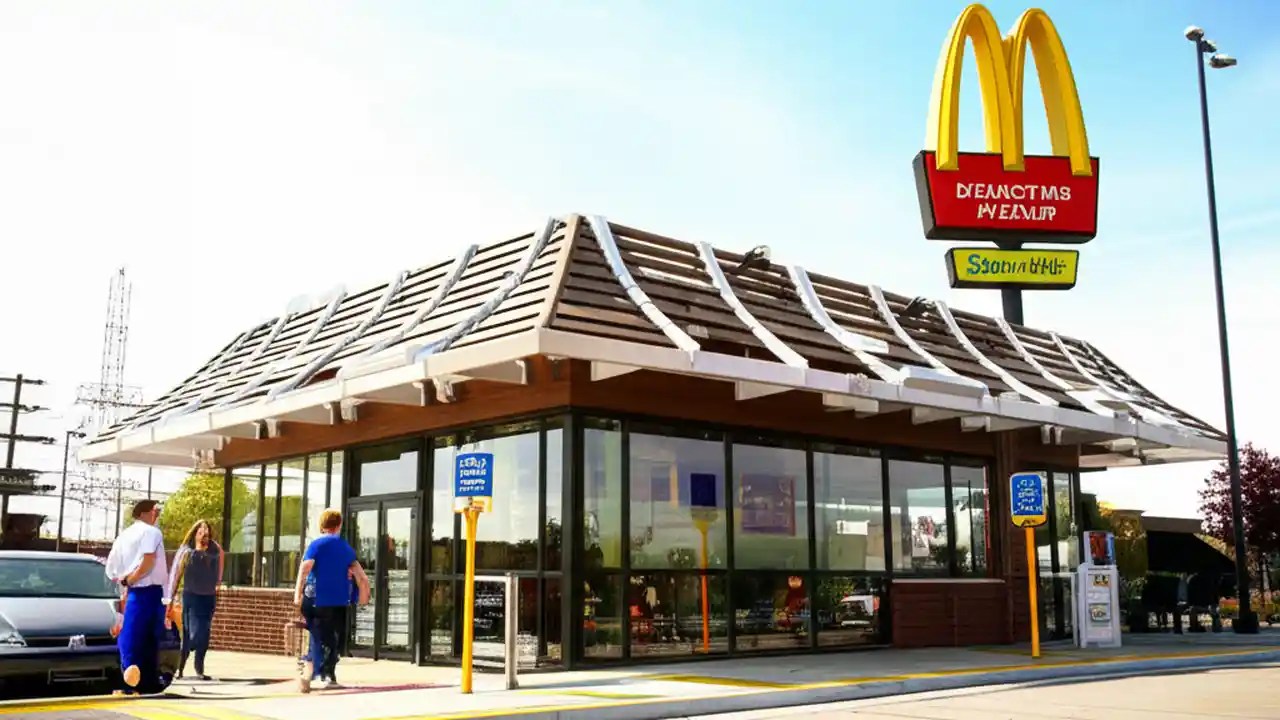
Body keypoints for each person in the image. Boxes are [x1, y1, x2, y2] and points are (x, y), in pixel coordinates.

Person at [293, 509, 369, 693]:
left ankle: (311, 669)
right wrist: (364, 598)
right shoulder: (345, 548)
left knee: (318, 636)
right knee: (330, 639)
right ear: (339, 525)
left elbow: (305, 568)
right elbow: (362, 577)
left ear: (322, 524)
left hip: (314, 599)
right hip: (337, 601)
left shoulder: (316, 545)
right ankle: (323, 674)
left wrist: (297, 594)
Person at [104, 499, 171, 694]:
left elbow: (111, 569)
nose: (157, 515)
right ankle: (140, 681)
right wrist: (132, 579)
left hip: (135, 593)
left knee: (135, 633)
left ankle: (139, 681)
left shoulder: (123, 536)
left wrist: (124, 580)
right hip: (147, 590)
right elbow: (148, 560)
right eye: (155, 511)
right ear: (145, 512)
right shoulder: (152, 532)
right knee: (144, 637)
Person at [167, 519, 224, 680]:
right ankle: (180, 667)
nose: (204, 534)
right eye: (201, 531)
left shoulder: (214, 551)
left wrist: (217, 585)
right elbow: (176, 574)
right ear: (195, 533)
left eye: (207, 531)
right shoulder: (187, 551)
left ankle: (199, 668)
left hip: (208, 597)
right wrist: (170, 598)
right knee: (190, 635)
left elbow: (218, 570)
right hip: (191, 597)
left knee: (204, 635)